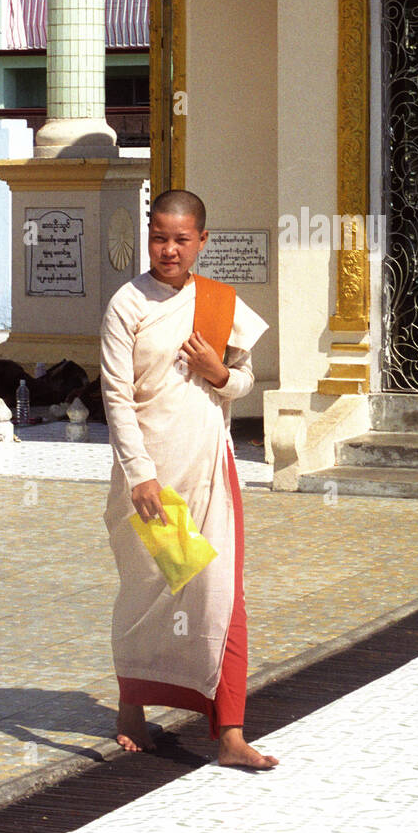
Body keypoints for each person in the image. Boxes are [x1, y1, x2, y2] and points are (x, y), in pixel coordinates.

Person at [99, 189, 278, 770]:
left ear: (203, 240)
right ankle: (133, 702)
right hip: (151, 481)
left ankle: (229, 732)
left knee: (220, 596)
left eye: (181, 239)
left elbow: (246, 381)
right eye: (159, 237)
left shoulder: (219, 302)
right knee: (153, 590)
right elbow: (116, 398)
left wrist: (219, 372)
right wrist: (141, 475)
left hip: (208, 473)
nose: (169, 249)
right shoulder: (127, 304)